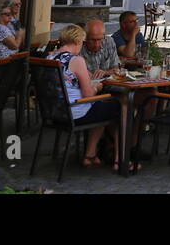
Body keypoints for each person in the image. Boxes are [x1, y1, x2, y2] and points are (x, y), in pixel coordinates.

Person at [46, 25, 128, 170]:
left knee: (102, 105)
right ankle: (121, 160)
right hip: (75, 112)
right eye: (83, 42)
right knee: (122, 106)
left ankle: (90, 154)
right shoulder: (76, 60)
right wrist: (97, 86)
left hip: (55, 111)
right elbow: (89, 94)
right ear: (78, 41)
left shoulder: (50, 57)